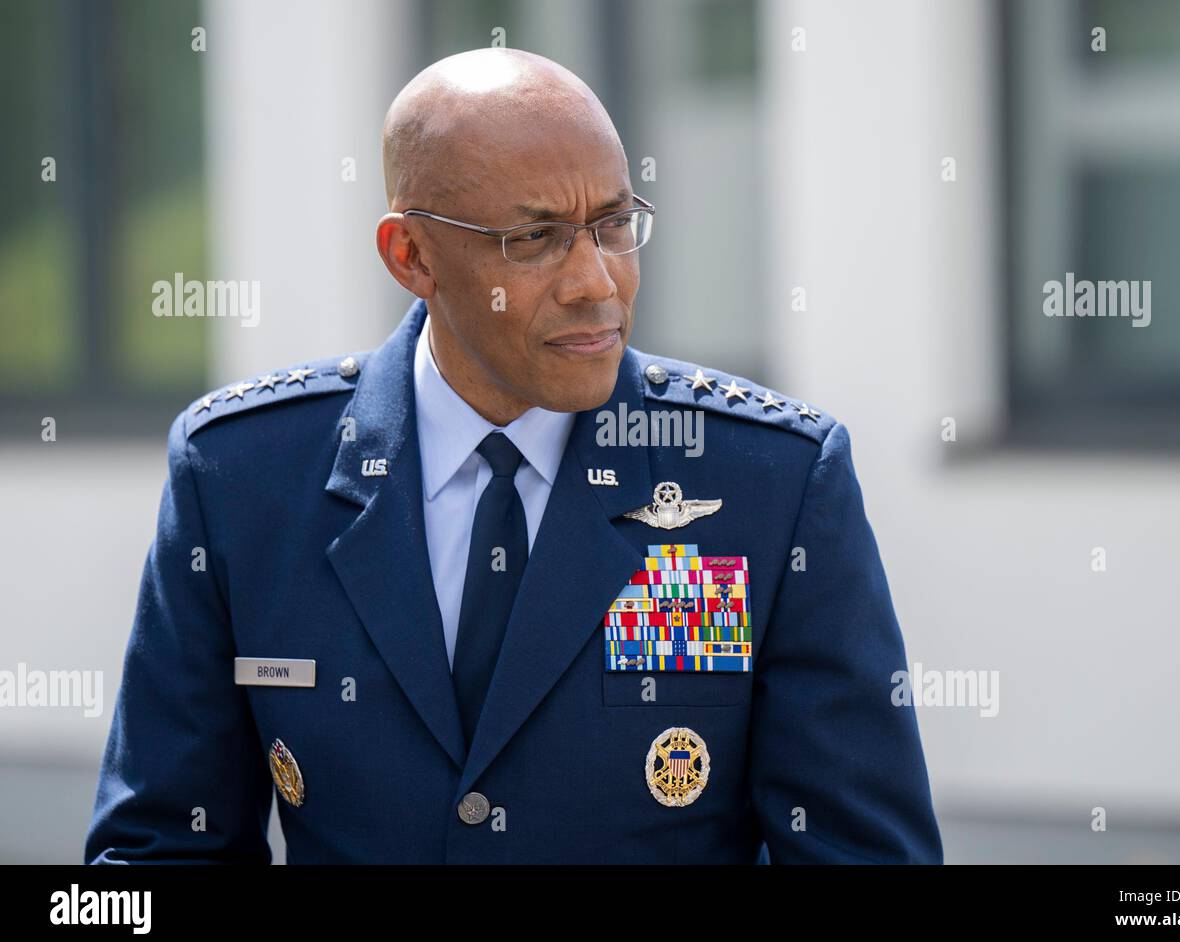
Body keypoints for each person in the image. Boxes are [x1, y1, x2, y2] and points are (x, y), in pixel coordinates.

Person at [84, 47, 942, 864]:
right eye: (534, 240)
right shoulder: (243, 478)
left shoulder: (770, 483)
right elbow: (156, 853)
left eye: (612, 225)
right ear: (411, 257)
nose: (596, 282)